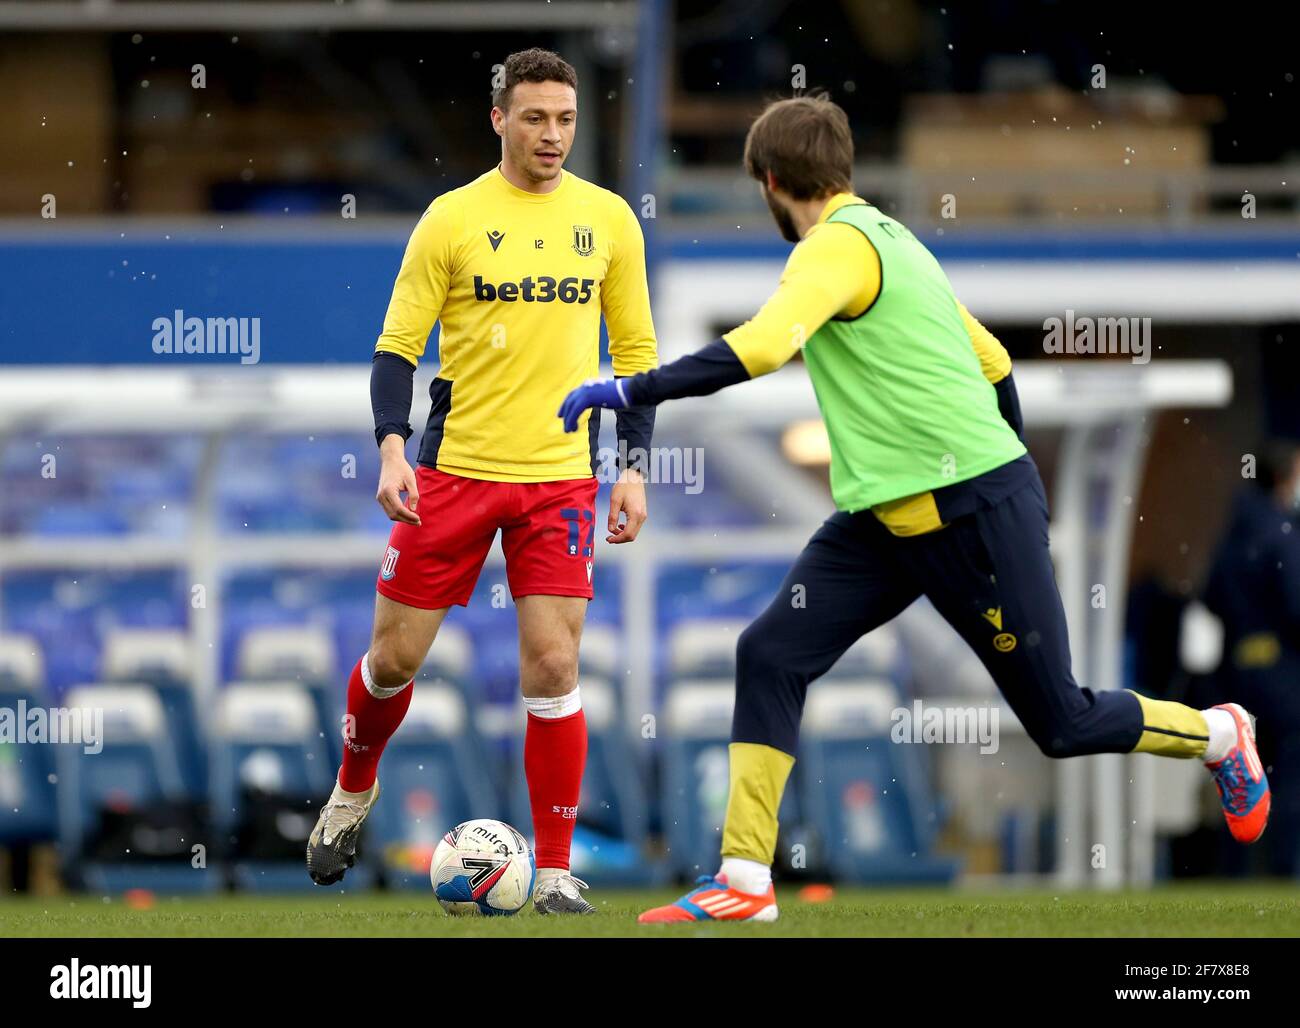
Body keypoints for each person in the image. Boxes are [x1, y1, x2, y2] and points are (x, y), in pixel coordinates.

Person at [559, 93, 1271, 922]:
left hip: (970, 513)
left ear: (773, 180)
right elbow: (997, 362)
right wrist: (1013, 474)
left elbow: (762, 347)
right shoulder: (899, 242)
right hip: (884, 523)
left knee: (1063, 721)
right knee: (771, 654)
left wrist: (631, 387)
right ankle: (746, 881)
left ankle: (1220, 734)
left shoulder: (834, 246)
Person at [306, 48, 659, 914]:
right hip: (453, 473)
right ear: (497, 118)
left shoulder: (611, 220)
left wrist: (632, 469)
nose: (552, 135)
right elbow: (397, 348)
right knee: (394, 659)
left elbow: (640, 359)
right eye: (534, 117)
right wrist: (393, 448)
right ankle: (354, 790)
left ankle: (559, 866)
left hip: (559, 481)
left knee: (552, 662)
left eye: (566, 119)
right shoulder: (452, 219)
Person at [1204, 440, 1300, 874]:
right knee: (1289, 775)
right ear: (1284, 477)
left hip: (1237, 673)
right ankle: (1283, 869)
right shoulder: (1281, 532)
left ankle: (1236, 867)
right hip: (1282, 673)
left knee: (1241, 771)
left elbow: (1210, 597)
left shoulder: (1232, 533)